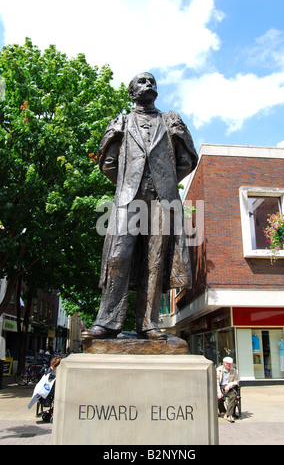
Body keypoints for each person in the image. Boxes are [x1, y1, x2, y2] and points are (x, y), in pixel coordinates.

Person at [82, 72, 197, 341]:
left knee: (155, 262)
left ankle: (148, 324)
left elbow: (186, 161)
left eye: (152, 82)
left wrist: (163, 182)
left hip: (161, 200)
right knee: (117, 257)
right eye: (142, 82)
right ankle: (108, 322)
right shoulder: (122, 122)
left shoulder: (170, 122)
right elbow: (107, 163)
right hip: (128, 199)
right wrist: (128, 184)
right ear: (132, 93)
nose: (149, 85)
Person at [216, 357, 239, 423]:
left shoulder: (233, 370)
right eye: (228, 364)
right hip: (220, 387)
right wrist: (219, 392)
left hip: (229, 387)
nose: (229, 365)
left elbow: (237, 381)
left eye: (230, 364)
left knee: (233, 396)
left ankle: (229, 414)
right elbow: (216, 382)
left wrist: (229, 385)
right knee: (218, 398)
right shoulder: (218, 370)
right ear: (224, 363)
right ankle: (223, 412)